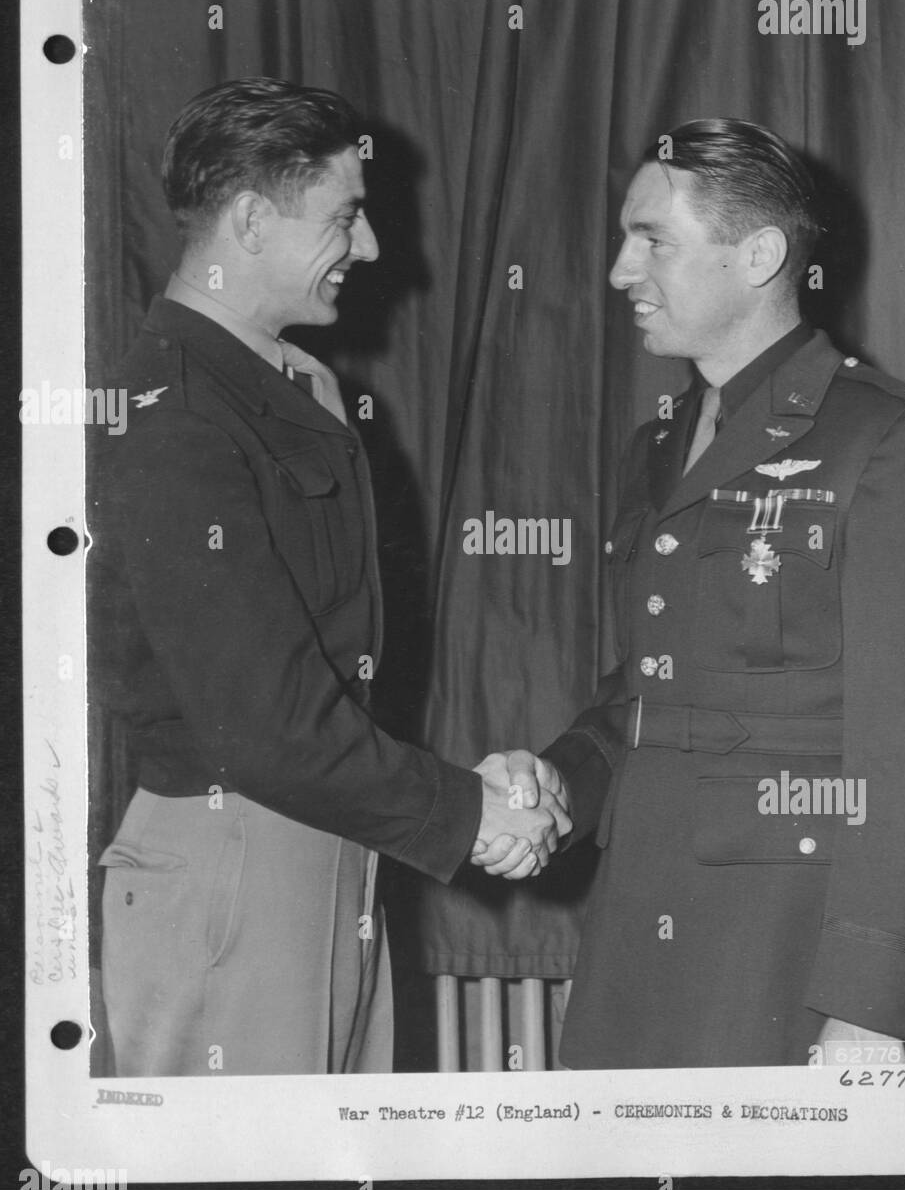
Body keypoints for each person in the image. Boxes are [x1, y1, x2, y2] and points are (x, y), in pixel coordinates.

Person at [91, 77, 568, 1077]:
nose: (372, 248)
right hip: (233, 860)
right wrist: (466, 809)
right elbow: (260, 718)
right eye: (346, 217)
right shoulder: (174, 412)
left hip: (326, 843)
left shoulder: (282, 385)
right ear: (253, 219)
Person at [483, 118, 905, 1068]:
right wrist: (559, 786)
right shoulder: (657, 447)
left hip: (791, 948)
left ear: (759, 255)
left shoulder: (886, 440)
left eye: (651, 239)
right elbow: (642, 697)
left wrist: (872, 1003)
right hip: (639, 933)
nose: (621, 270)